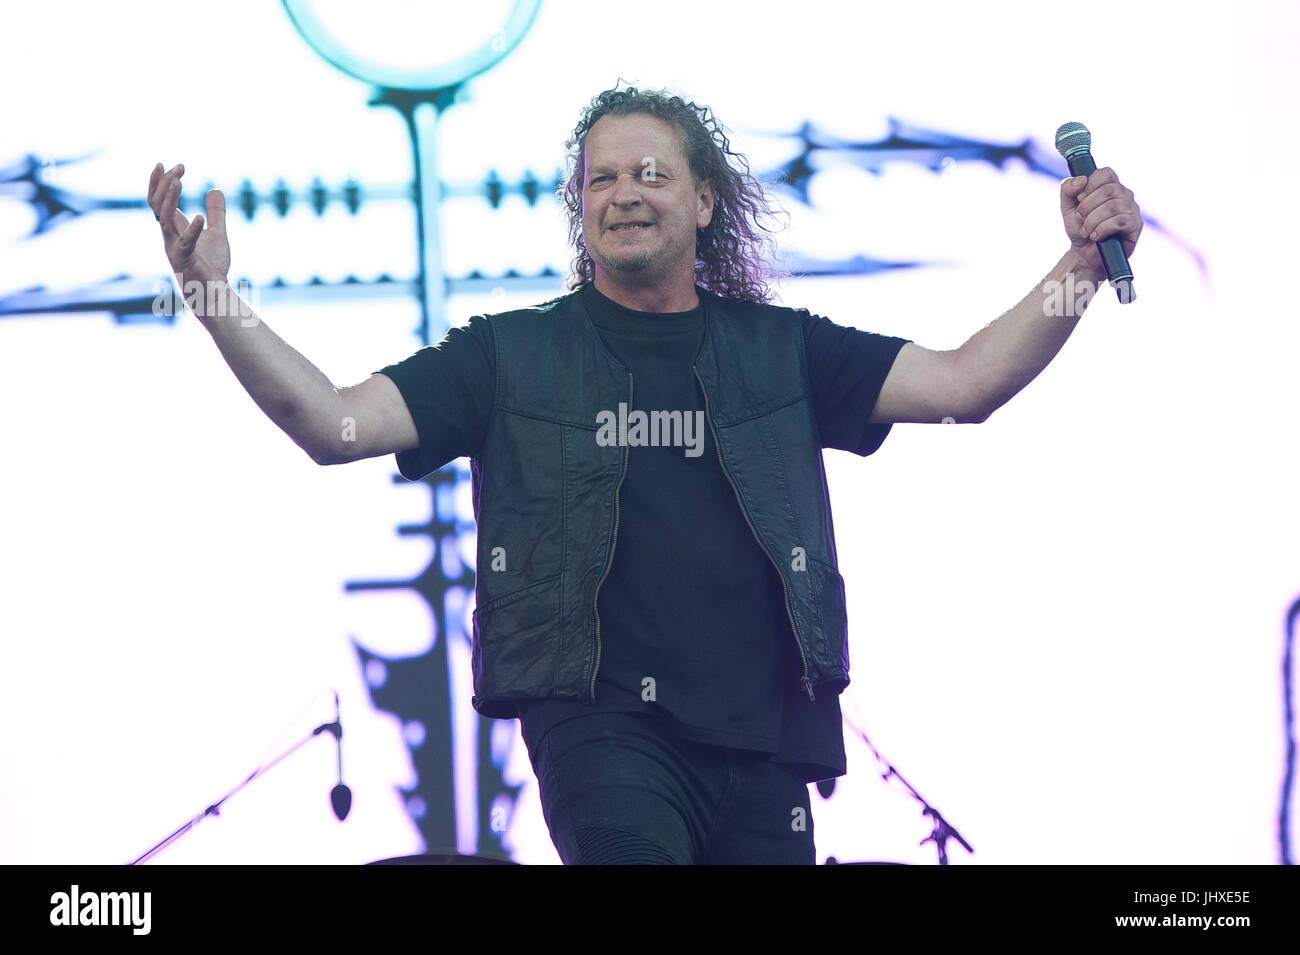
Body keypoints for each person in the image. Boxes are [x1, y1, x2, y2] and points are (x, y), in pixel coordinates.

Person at [147, 85, 1142, 865]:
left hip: (761, 745)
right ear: (579, 210)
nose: (623, 193)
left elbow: (965, 381)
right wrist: (214, 300)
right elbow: (334, 422)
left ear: (705, 199)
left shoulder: (780, 350)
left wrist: (1082, 268)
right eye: (600, 179)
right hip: (602, 732)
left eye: (651, 174)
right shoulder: (507, 356)